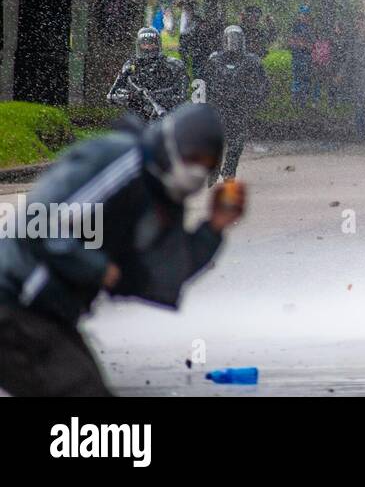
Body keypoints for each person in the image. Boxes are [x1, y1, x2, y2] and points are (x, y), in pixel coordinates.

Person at [0, 104, 239, 396]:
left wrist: (214, 228)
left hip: (48, 315)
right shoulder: (123, 162)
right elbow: (39, 221)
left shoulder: (163, 197)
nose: (196, 170)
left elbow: (162, 278)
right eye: (193, 157)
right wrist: (96, 268)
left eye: (206, 163)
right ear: (172, 143)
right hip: (15, 302)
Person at [199, 26, 268, 184]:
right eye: (230, 40)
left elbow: (263, 85)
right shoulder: (215, 60)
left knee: (237, 141)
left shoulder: (251, 61)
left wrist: (253, 100)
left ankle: (229, 170)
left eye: (236, 40)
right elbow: (202, 83)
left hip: (239, 106)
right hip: (218, 105)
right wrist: (203, 103)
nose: (233, 44)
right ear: (224, 41)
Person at [107, 27, 189, 122]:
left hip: (164, 113)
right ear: (139, 45)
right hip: (137, 114)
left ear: (158, 45)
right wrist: (129, 96)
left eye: (151, 43)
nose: (148, 47)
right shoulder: (130, 66)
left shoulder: (173, 65)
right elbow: (110, 96)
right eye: (144, 44)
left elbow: (182, 96)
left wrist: (158, 96)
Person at [287, 5, 314, 108]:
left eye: (307, 15)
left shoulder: (310, 28)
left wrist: (305, 44)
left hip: (306, 56)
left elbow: (311, 44)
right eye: (303, 15)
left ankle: (303, 102)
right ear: (300, 16)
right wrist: (300, 43)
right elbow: (292, 42)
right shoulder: (296, 27)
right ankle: (295, 101)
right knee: (297, 78)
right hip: (297, 56)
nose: (305, 17)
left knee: (306, 79)